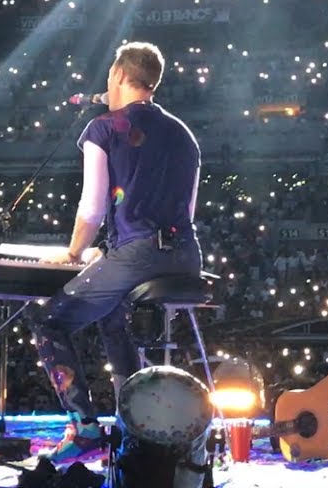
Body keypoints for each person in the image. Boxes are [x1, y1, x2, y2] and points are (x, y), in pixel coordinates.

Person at [30, 41, 202, 462]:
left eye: (110, 73)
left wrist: (74, 252)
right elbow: (189, 209)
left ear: (121, 76)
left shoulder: (105, 127)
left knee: (47, 320)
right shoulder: (185, 134)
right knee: (111, 313)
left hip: (138, 253)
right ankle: (133, 427)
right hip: (187, 255)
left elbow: (92, 205)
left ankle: (85, 429)